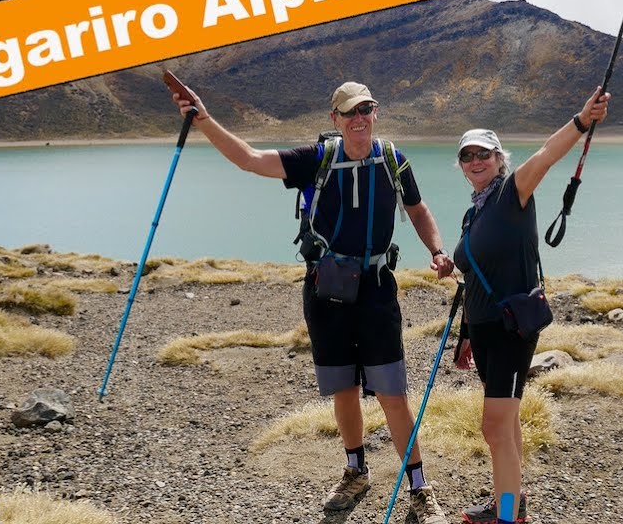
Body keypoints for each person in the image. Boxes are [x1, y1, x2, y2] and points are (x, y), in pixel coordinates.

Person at [172, 80, 455, 523]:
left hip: (377, 288)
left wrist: (436, 249)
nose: (359, 119)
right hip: (328, 290)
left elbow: (418, 210)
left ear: (375, 113)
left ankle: (419, 485)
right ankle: (356, 470)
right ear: (335, 120)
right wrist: (204, 119)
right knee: (342, 387)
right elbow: (249, 160)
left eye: (366, 109)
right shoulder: (317, 159)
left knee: (392, 392)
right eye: (350, 113)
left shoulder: (393, 160)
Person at [452, 87, 610, 524]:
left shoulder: (511, 192)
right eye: (468, 156)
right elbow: (471, 277)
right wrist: (466, 333)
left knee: (494, 428)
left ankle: (508, 518)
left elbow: (545, 155)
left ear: (500, 158)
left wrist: (581, 120)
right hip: (483, 331)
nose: (476, 161)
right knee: (508, 424)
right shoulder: (473, 214)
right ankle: (511, 503)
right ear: (462, 167)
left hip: (510, 331)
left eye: (484, 153)